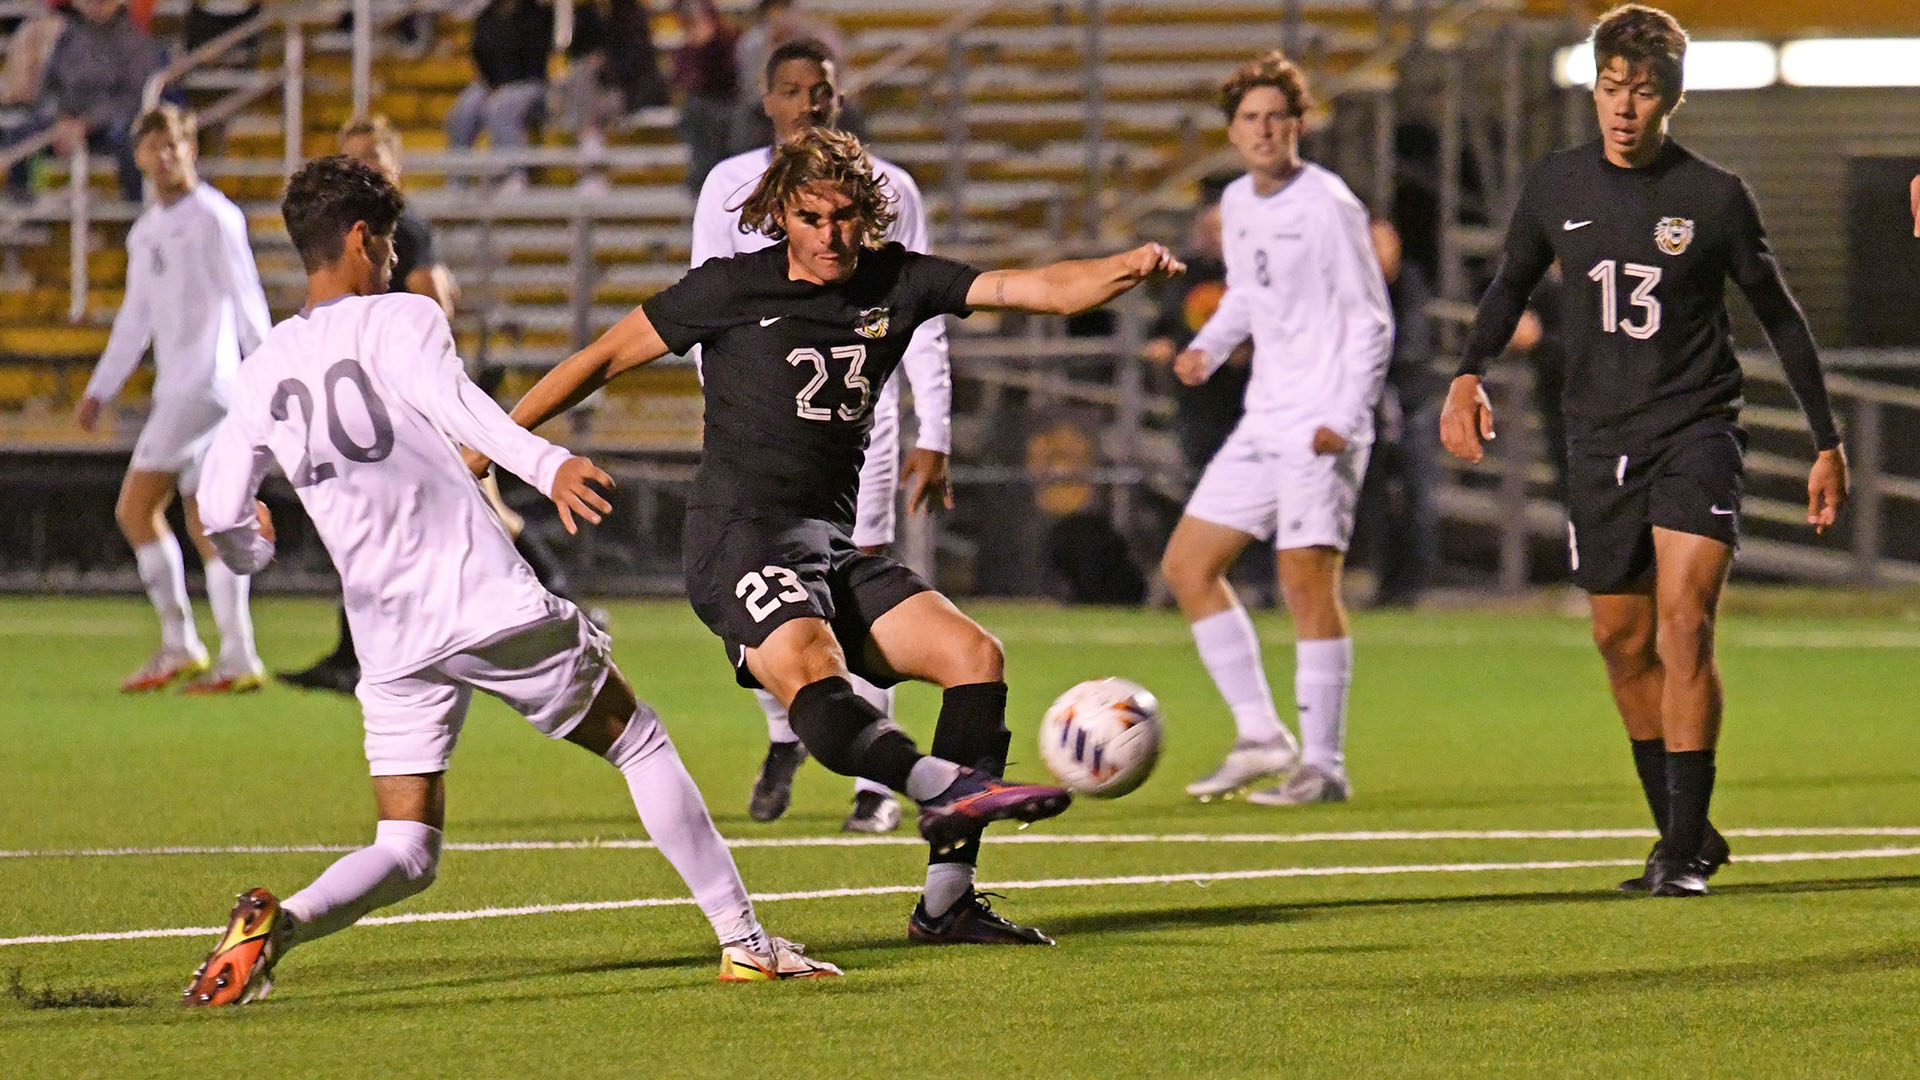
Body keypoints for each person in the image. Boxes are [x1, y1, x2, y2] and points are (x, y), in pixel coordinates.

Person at [483, 127, 1181, 945]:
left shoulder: (897, 279)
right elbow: (603, 357)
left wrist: (1122, 268)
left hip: (827, 543)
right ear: (783, 213)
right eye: (813, 216)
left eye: (847, 216)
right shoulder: (730, 288)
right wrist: (494, 441)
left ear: (869, 215)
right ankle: (940, 784)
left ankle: (948, 904)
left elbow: (1038, 289)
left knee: (974, 657)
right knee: (814, 666)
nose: (831, 234)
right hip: (737, 540)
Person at [181, 156, 842, 1007]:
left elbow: (217, 506)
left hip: (389, 634)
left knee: (408, 847)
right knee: (636, 740)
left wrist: (251, 552)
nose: (391, 259)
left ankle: (283, 925)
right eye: (384, 243)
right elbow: (460, 406)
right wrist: (548, 461)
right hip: (478, 598)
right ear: (357, 239)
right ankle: (747, 942)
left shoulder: (267, 365)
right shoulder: (401, 318)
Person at [1441, 5, 1848, 897]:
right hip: (1599, 442)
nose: (1624, 108)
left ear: (1673, 99)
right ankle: (1687, 833)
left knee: (1682, 624)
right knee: (1620, 641)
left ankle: (1676, 855)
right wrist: (1467, 373)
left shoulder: (1714, 196)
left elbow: (1780, 316)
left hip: (1696, 430)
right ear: (1596, 90)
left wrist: (1828, 441)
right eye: (1612, 89)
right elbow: (1509, 282)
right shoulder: (1556, 185)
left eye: (1644, 92)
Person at [694, 38, 952, 835]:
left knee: (859, 587)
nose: (809, 104)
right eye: (794, 90)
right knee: (771, 593)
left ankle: (876, 785)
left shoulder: (888, 189)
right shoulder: (730, 186)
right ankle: (784, 739)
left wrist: (931, 429)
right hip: (760, 437)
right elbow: (705, 305)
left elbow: (923, 318)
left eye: (823, 92)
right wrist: (734, 417)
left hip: (856, 428)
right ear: (768, 102)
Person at [1160, 51, 1394, 807]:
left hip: (1323, 420)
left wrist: (1346, 416)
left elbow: (1372, 319)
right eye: (1250, 119)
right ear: (1233, 131)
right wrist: (1209, 348)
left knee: (1304, 582)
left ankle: (1323, 763)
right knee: (1190, 566)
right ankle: (1262, 734)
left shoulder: (1329, 204)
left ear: (1298, 125)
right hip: (1265, 415)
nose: (1264, 131)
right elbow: (1248, 297)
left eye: (1277, 117)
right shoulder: (1237, 202)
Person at [77, 105, 271, 694]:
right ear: (138, 157)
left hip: (205, 386)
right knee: (204, 518)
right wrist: (100, 387)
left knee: (135, 509)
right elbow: (136, 320)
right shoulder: (147, 230)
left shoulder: (215, 216)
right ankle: (237, 655)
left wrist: (269, 373)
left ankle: (179, 642)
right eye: (153, 147)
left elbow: (247, 296)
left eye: (174, 145)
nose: (164, 157)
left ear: (191, 149)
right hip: (187, 387)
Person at [1355, 215, 1438, 607]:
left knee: (1417, 497)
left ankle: (1413, 582)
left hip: (1409, 408)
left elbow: (1412, 348)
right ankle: (1386, 579)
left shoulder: (1410, 286)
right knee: (1374, 501)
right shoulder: (1350, 289)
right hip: (1368, 409)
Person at [14, 0, 164, 203]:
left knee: (130, 138)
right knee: (21, 135)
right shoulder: (68, 38)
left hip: (110, 125)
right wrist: (60, 120)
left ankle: (136, 208)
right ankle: (23, 207)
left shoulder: (136, 42)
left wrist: (87, 123)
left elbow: (132, 98)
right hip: (66, 122)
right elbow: (49, 88)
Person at [445, 0, 554, 190]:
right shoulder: (486, 15)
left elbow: (535, 58)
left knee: (498, 107)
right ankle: (458, 178)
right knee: (462, 111)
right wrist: (491, 82)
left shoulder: (537, 14)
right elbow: (480, 52)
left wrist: (502, 84)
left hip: (529, 83)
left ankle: (516, 174)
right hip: (491, 82)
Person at [670, 0, 738, 194]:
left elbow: (729, 77)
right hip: (701, 111)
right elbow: (681, 79)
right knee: (694, 111)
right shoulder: (686, 49)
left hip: (727, 105)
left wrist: (708, 47)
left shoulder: (728, 40)